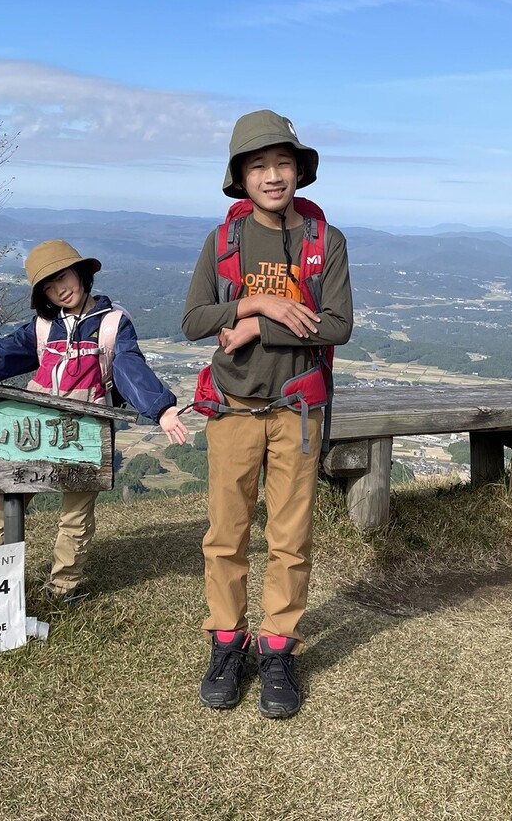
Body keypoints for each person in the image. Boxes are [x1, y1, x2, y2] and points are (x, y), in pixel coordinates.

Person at [181, 110, 353, 718]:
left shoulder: (323, 242)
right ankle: (228, 644)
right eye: (259, 166)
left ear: (297, 171)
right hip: (231, 409)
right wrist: (251, 301)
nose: (273, 175)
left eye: (282, 163)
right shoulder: (222, 242)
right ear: (240, 177)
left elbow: (339, 326)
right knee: (225, 534)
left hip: (297, 411)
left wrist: (260, 322)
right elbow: (194, 319)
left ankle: (278, 649)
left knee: (290, 536)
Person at [0, 239, 187, 600]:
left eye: (64, 277)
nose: (60, 289)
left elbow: (129, 368)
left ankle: (63, 588)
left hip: (85, 429)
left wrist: (160, 407)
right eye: (49, 286)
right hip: (33, 428)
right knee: (3, 507)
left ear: (81, 274)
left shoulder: (112, 324)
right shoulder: (41, 327)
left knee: (75, 515)